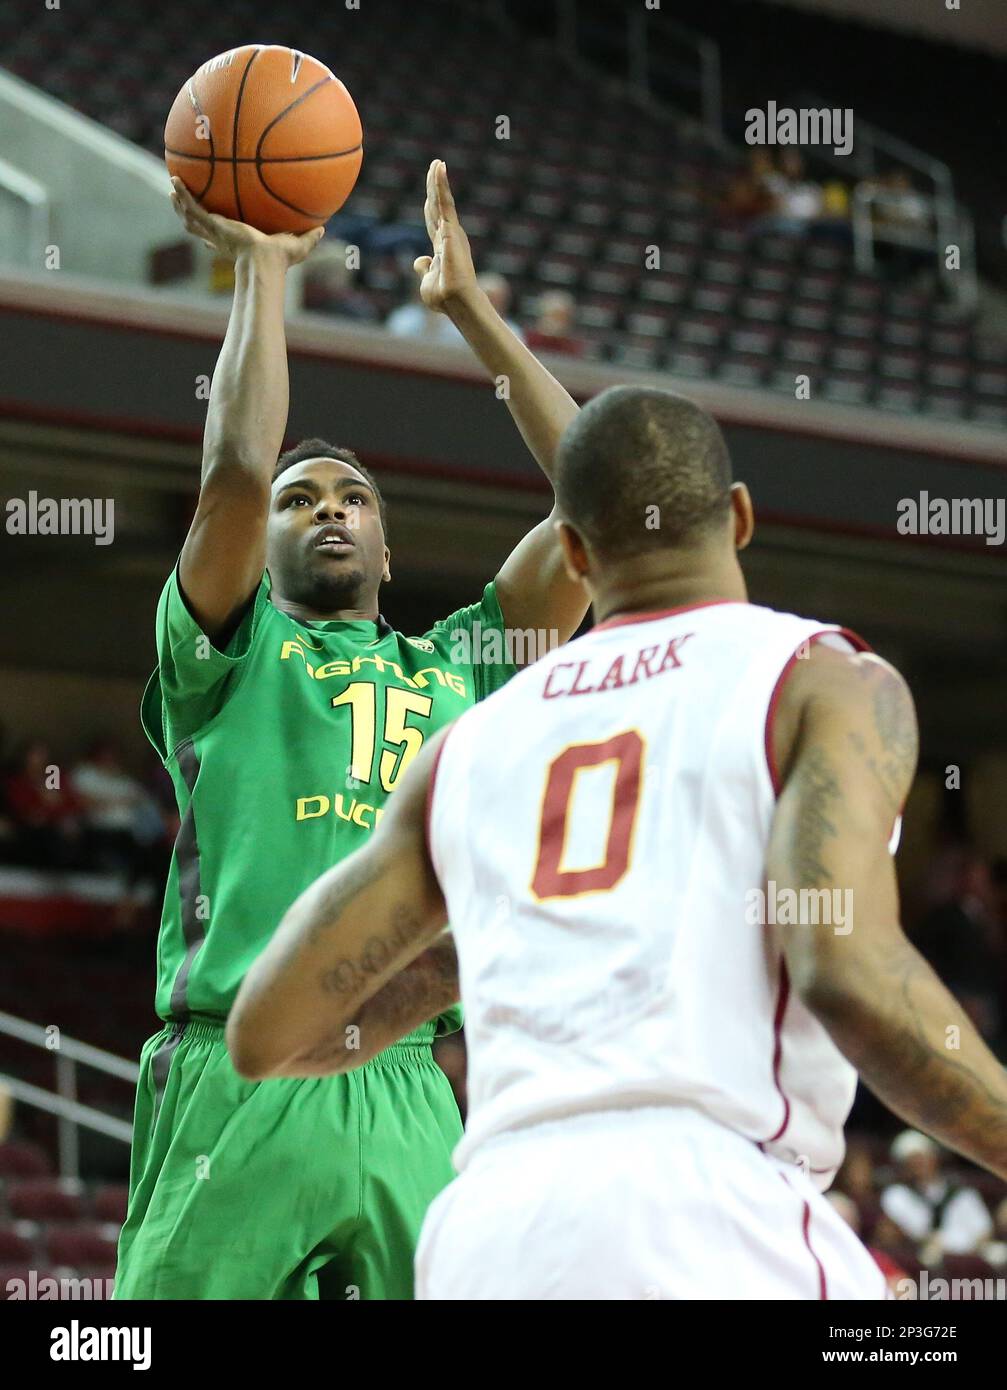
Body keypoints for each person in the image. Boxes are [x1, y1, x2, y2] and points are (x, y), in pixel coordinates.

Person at [229, 382, 1007, 1300]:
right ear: (740, 517)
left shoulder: (466, 745)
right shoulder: (820, 679)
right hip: (713, 1210)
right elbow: (846, 972)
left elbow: (265, 1032)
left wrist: (500, 945)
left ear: (570, 548)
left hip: (492, 1230)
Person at [113, 160, 588, 1301]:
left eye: (352, 498)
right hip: (240, 1065)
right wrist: (262, 273)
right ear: (260, 547)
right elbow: (232, 466)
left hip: (410, 1075)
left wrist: (474, 318)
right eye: (300, 499)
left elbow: (602, 505)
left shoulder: (465, 662)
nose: (326, 506)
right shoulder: (228, 653)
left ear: (384, 549)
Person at [880, 1130, 993, 1257]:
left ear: (934, 1158)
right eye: (912, 1161)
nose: (919, 1165)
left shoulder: (963, 1194)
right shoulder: (896, 1195)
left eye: (922, 1158)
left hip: (968, 1256)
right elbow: (910, 1233)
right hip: (922, 1258)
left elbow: (984, 1232)